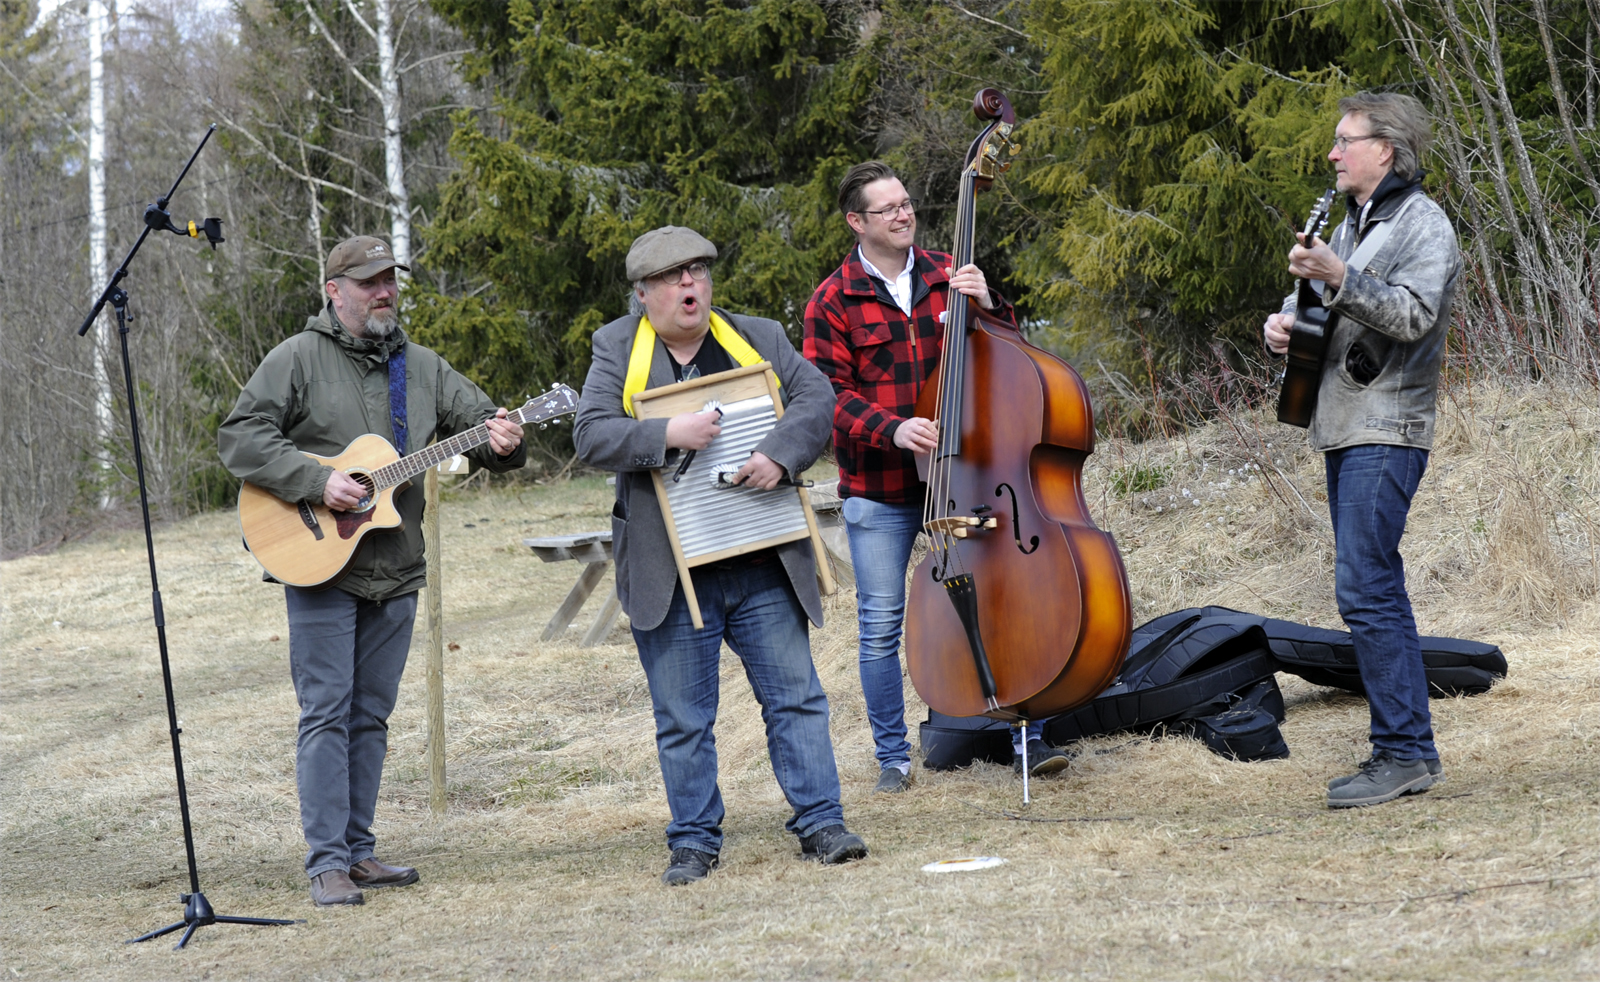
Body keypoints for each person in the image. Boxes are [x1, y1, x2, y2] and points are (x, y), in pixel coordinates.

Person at [218, 236, 526, 905]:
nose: (384, 291)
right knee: (326, 714)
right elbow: (240, 437)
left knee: (371, 717)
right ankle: (327, 862)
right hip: (320, 566)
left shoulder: (423, 367)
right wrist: (315, 481)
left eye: (390, 279)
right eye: (368, 282)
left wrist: (505, 439)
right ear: (334, 290)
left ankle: (358, 852)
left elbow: (482, 423)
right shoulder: (297, 358)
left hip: (397, 567)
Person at [572, 225, 868, 885]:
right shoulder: (617, 347)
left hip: (763, 560)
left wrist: (778, 455)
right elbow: (590, 435)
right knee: (683, 718)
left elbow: (817, 397)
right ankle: (694, 842)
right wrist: (666, 432)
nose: (690, 285)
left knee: (796, 698)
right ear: (643, 293)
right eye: (673, 277)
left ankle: (822, 823)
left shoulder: (756, 335)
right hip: (673, 569)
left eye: (699, 272)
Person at [803, 161, 1071, 794]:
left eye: (906, 203)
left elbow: (1007, 352)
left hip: (970, 477)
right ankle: (892, 757)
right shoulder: (832, 299)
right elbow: (825, 396)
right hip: (882, 490)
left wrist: (989, 304)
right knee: (880, 625)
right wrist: (892, 429)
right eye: (888, 208)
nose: (904, 214)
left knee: (1006, 597)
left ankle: (1026, 732)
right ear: (856, 221)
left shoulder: (950, 271)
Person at [1263, 93, 1461, 808]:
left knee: (1366, 587)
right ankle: (1409, 752)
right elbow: (1321, 309)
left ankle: (1402, 752)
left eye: (1345, 140)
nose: (1333, 153)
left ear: (1386, 148)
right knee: (1370, 585)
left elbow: (1413, 314)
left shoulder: (1424, 223)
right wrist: (1285, 322)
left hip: (1389, 427)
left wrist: (1339, 277)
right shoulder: (1354, 222)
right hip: (1345, 424)